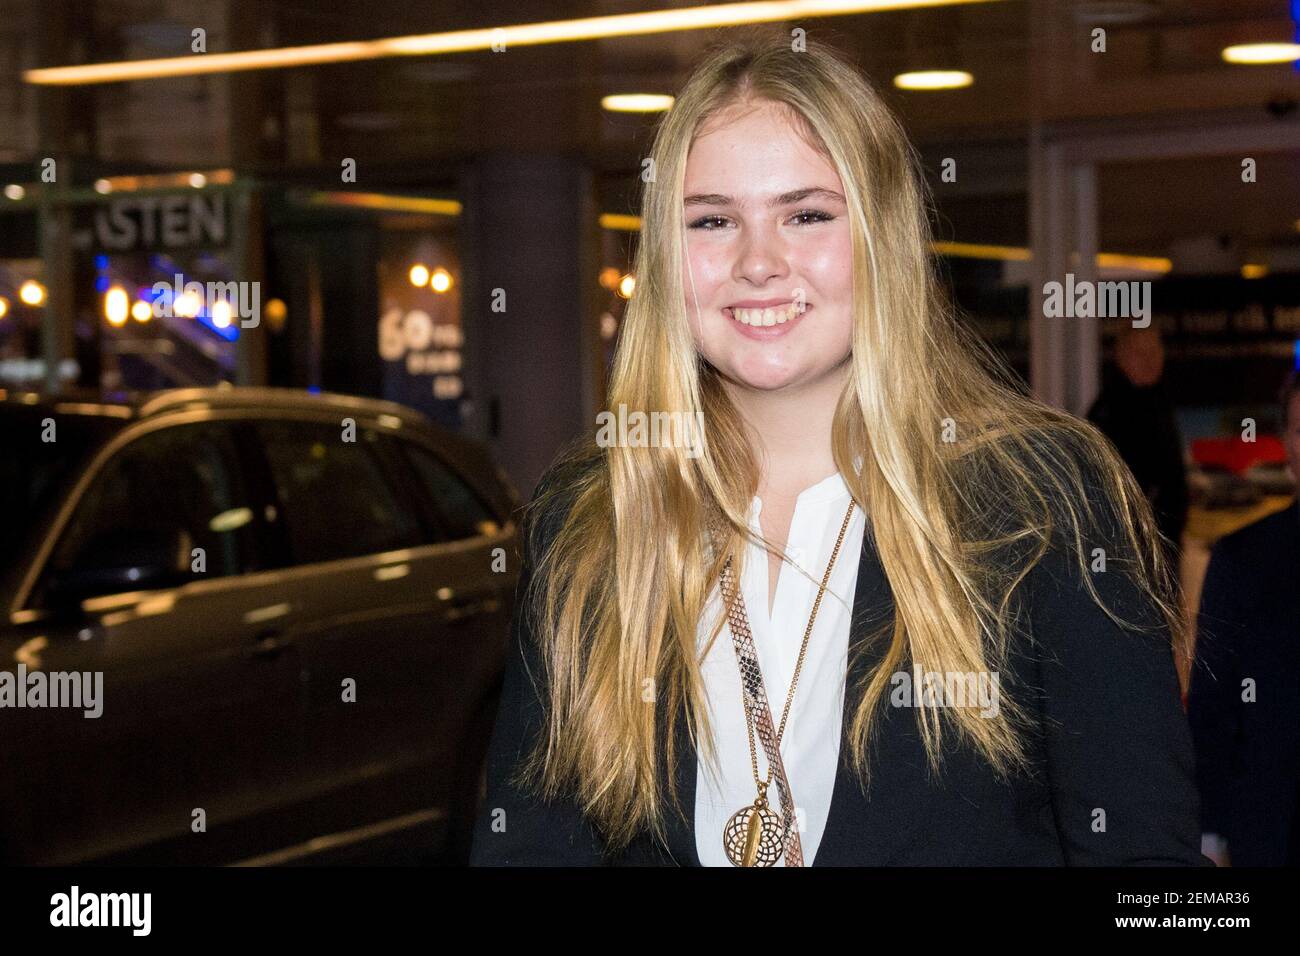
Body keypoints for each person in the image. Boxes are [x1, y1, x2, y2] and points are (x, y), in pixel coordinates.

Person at [470, 30, 1210, 867]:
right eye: (713, 220)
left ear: (881, 238)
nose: (758, 262)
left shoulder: (1042, 502)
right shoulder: (589, 517)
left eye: (807, 214)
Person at [1187, 371, 1300, 866]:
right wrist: (1209, 831)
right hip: (1273, 833)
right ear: (1288, 450)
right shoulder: (1243, 561)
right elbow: (1213, 706)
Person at [1087, 325, 1190, 570]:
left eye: (1154, 350)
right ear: (1121, 357)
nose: (1149, 359)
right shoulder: (1109, 414)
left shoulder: (1160, 404)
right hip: (1128, 552)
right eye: (1139, 352)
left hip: (1161, 547)